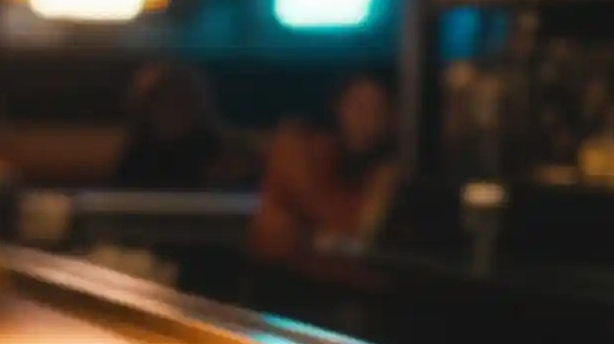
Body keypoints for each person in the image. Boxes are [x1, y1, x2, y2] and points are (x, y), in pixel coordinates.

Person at [249, 75, 401, 263]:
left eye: (377, 108)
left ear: (394, 118)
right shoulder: (302, 154)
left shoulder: (395, 176)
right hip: (290, 276)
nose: (366, 117)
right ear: (338, 110)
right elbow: (272, 236)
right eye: (357, 105)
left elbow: (369, 246)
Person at [112, 62, 225, 190]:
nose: (171, 110)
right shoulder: (139, 153)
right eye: (160, 100)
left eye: (180, 100)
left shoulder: (214, 152)